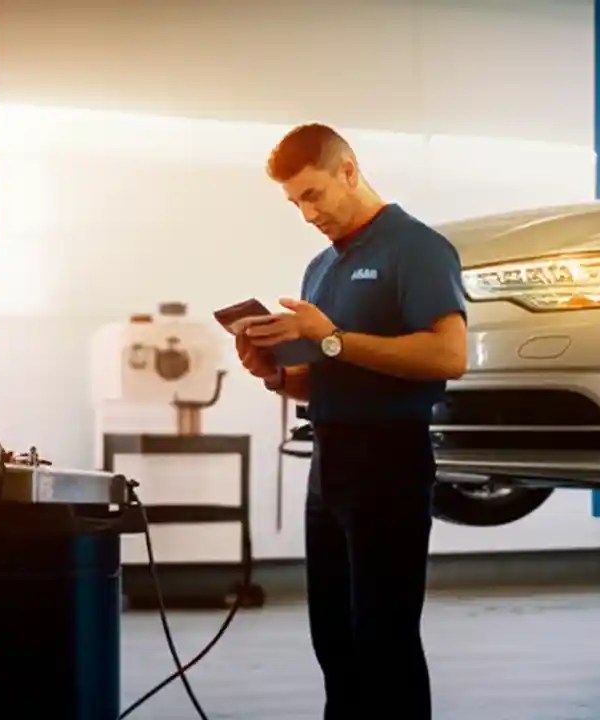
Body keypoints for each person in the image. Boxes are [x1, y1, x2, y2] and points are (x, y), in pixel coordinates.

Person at [234, 123, 468, 720]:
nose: (308, 213)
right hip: (329, 462)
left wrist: (332, 340)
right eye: (295, 203)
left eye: (313, 195)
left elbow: (449, 357)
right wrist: (275, 374)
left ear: (348, 170)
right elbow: (327, 373)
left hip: (390, 461)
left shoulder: (417, 249)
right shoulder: (320, 267)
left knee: (383, 641)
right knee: (334, 642)